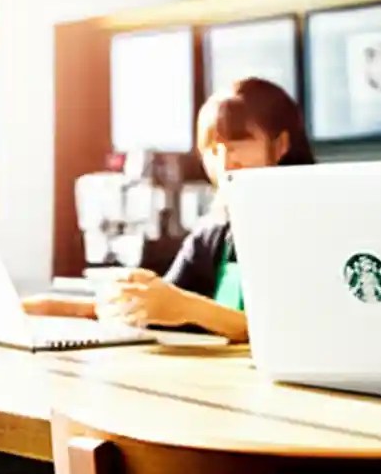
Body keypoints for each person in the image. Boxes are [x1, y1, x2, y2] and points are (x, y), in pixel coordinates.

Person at [23, 77, 315, 341]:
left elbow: (295, 330)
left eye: (238, 143)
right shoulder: (215, 231)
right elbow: (165, 306)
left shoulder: (312, 223)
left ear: (281, 145)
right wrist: (57, 307)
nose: (225, 163)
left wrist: (187, 307)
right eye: (213, 150)